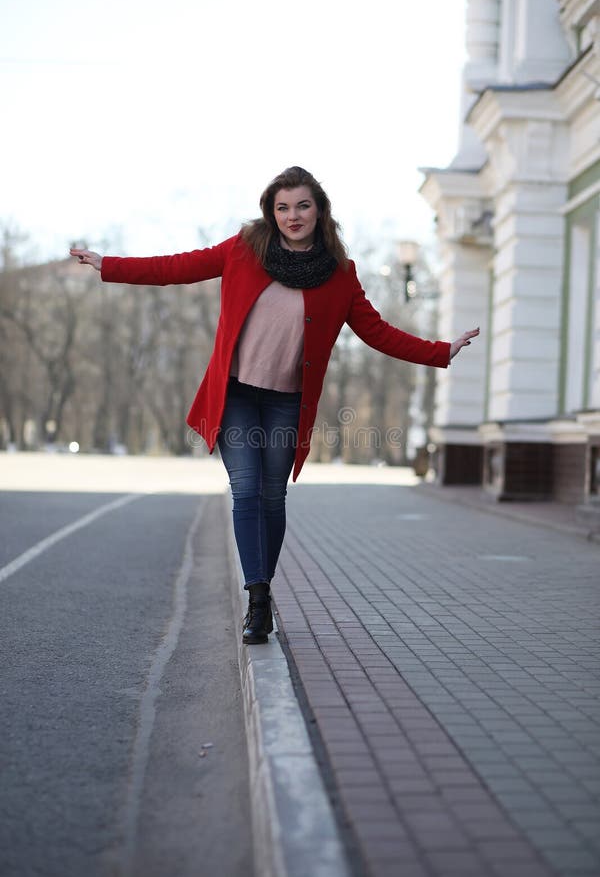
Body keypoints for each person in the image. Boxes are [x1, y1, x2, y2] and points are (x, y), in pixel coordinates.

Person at [70, 165, 479, 645]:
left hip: (288, 401)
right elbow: (177, 267)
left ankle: (262, 590)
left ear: (319, 210)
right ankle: (258, 597)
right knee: (246, 490)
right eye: (283, 207)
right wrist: (109, 265)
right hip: (238, 393)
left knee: (273, 494)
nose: (292, 216)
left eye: (302, 205)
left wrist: (438, 351)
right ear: (271, 211)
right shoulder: (246, 250)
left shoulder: (340, 274)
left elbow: (377, 332)